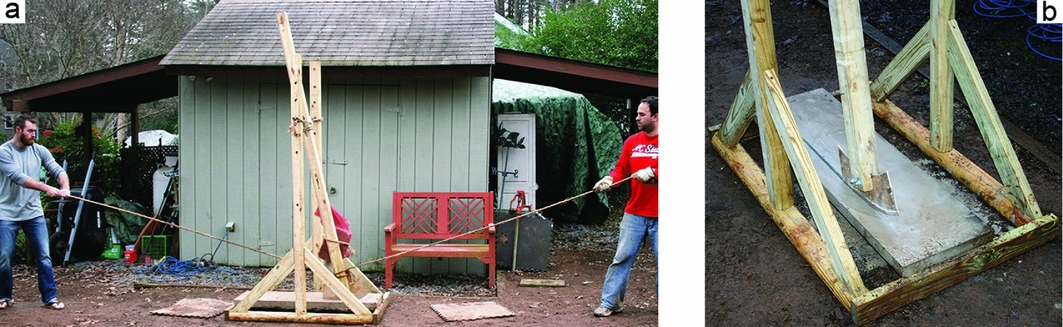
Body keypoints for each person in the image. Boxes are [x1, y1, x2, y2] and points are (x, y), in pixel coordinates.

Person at [592, 96, 658, 317]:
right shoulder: (632, 142)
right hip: (634, 213)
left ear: (656, 117)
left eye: (642, 114)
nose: (637, 118)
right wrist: (609, 179)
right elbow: (620, 168)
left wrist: (655, 173)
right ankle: (610, 303)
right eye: (637, 114)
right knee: (621, 258)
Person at [0, 114, 70, 310]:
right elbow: (18, 177)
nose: (34, 135)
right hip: (6, 214)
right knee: (4, 257)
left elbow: (57, 170)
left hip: (33, 213)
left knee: (44, 256)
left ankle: (50, 298)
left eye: (35, 131)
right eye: (30, 131)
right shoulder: (4, 152)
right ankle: (4, 295)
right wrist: (46, 188)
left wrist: (65, 187)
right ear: (18, 130)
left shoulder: (39, 150)